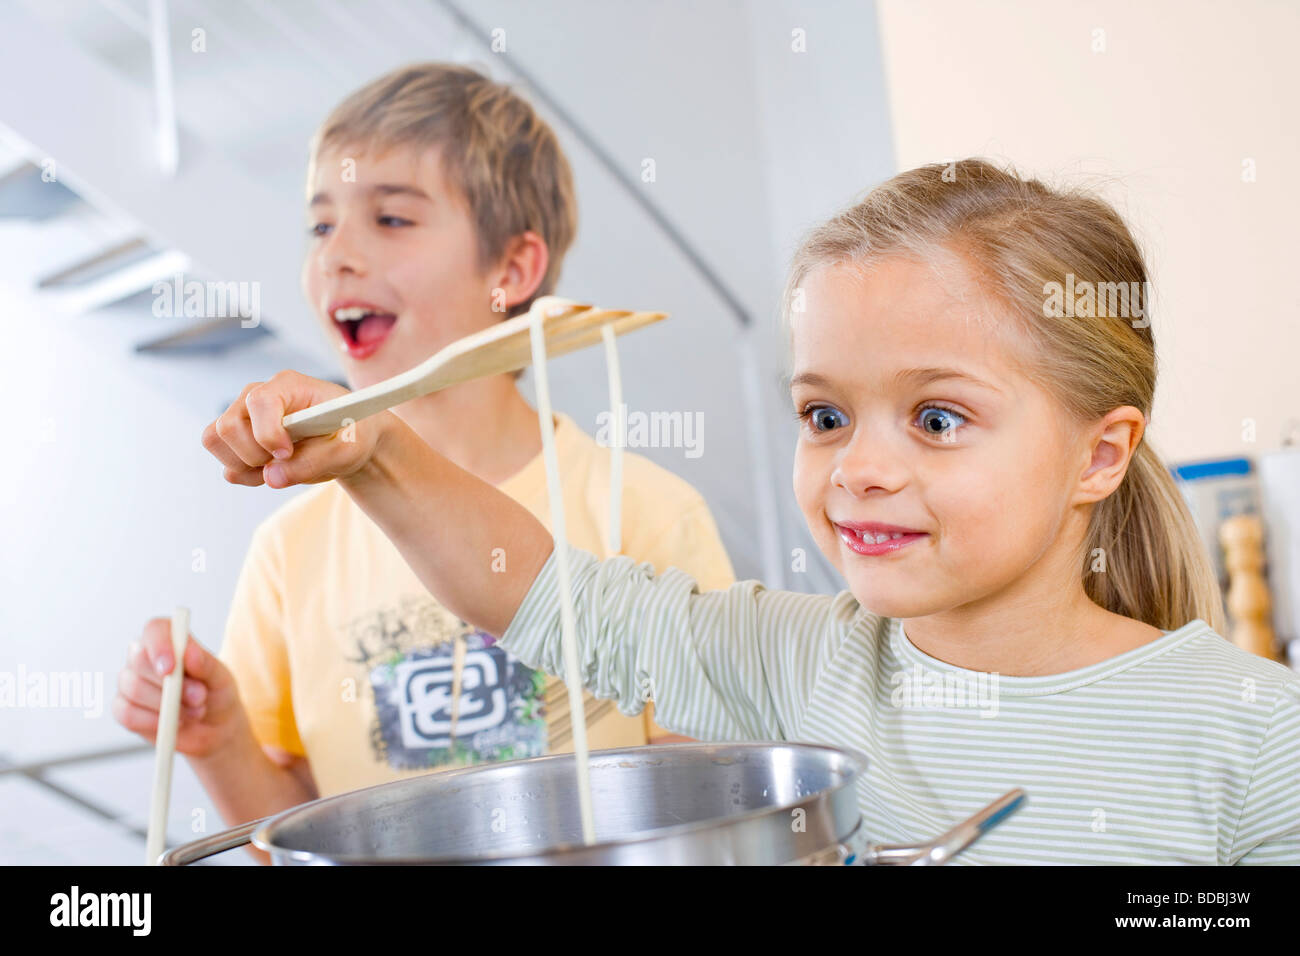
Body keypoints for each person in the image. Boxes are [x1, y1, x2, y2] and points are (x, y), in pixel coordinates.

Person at [199, 157, 1300, 864]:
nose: (858, 468)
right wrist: (373, 450)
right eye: (824, 416)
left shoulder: (1257, 736)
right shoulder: (791, 661)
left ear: (1097, 456)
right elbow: (535, 587)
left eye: (936, 418)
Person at [114, 63, 734, 863]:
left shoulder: (648, 512)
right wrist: (219, 737)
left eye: (392, 220)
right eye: (321, 226)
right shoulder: (287, 552)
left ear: (511, 271)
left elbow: (709, 805)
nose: (337, 255)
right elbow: (293, 842)